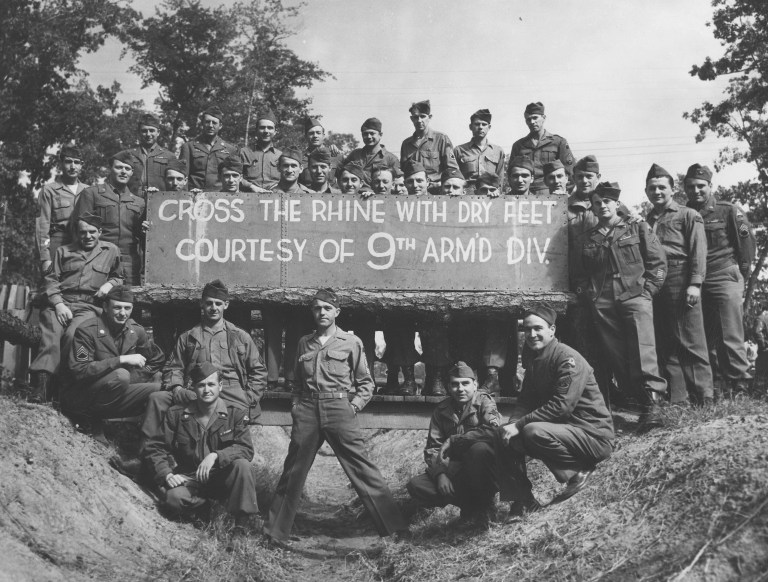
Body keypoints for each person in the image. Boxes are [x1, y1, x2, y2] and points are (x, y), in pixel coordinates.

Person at [264, 289, 407, 545]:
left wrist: (354, 406)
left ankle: (394, 530)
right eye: (317, 308)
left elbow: (366, 383)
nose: (322, 312)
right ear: (312, 311)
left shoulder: (351, 343)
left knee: (362, 468)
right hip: (308, 409)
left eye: (327, 308)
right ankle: (274, 534)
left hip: (339, 407)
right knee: (293, 471)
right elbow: (297, 382)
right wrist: (297, 405)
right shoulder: (303, 343)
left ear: (336, 312)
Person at [497, 305, 615, 515]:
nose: (532, 334)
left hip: (592, 435)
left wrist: (519, 425)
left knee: (532, 430)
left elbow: (562, 407)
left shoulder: (567, 358)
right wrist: (511, 425)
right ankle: (522, 500)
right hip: (566, 432)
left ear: (552, 330)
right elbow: (525, 401)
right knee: (506, 435)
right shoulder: (536, 360)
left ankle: (577, 471)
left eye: (538, 328)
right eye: (527, 329)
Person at [574, 181, 668, 430]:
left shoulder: (636, 227)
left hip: (635, 295)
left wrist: (648, 291)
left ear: (617, 203)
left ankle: (653, 405)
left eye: (607, 201)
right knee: (617, 355)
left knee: (643, 350)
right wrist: (589, 296)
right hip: (603, 302)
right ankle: (638, 402)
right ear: (592, 207)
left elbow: (657, 262)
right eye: (598, 202)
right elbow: (579, 274)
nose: (603, 206)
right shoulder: (589, 238)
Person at [140, 280, 267, 455]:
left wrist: (248, 397)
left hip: (231, 392)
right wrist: (177, 388)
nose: (213, 308)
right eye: (209, 303)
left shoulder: (239, 336)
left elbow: (258, 370)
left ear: (226, 305)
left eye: (218, 304)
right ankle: (147, 456)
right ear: (201, 304)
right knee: (157, 399)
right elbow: (174, 367)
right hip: (197, 390)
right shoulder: (189, 337)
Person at [142, 362, 259, 531]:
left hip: (220, 478)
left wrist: (216, 456)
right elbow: (155, 447)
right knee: (173, 499)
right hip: (190, 479)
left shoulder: (235, 414)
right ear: (193, 388)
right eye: (201, 385)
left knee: (243, 465)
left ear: (220, 386)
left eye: (211, 384)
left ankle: (241, 525)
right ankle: (202, 508)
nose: (206, 390)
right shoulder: (177, 414)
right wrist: (166, 474)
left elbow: (245, 449)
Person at [28, 213, 123, 403]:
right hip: (61, 303)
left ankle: (63, 389)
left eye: (92, 232)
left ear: (100, 232)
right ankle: (43, 387)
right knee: (52, 335)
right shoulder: (63, 251)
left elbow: (119, 276)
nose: (87, 236)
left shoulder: (111, 250)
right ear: (76, 234)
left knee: (74, 335)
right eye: (82, 232)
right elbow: (51, 280)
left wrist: (109, 285)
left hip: (88, 306)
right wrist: (59, 304)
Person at [645, 163, 713, 406]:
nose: (657, 192)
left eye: (662, 187)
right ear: (646, 192)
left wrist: (695, 283)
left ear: (672, 190)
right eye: (652, 188)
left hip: (679, 276)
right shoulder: (647, 219)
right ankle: (678, 400)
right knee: (666, 342)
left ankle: (704, 397)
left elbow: (698, 251)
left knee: (691, 340)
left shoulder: (687, 215)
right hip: (655, 281)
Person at [684, 163, 755, 396]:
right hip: (696, 281)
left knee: (730, 333)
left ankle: (740, 385)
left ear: (710, 186)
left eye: (701, 186)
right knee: (705, 335)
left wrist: (739, 277)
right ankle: (715, 387)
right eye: (691, 186)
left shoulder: (728, 210)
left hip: (724, 274)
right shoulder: (683, 214)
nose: (696, 191)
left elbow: (745, 245)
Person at [406, 362, 501, 527]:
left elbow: (494, 431)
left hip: (484, 468)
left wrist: (457, 440)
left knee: (479, 450)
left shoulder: (485, 402)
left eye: (465, 383)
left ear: (475, 385)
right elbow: (433, 448)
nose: (461, 389)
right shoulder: (442, 410)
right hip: (456, 470)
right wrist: (440, 474)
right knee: (417, 485)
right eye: (455, 384)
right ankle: (469, 507)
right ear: (448, 387)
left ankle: (486, 506)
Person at [64, 285, 164, 419]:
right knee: (121, 375)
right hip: (85, 395)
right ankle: (90, 421)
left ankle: (135, 431)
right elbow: (80, 371)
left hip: (118, 390)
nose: (123, 313)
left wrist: (135, 377)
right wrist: (121, 360)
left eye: (127, 308)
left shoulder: (136, 331)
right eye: (117, 307)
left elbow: (157, 359)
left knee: (159, 389)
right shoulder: (87, 330)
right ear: (105, 307)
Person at [71, 151, 147, 284]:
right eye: (119, 167)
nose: (123, 172)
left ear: (132, 172)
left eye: (127, 169)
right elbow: (78, 231)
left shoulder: (139, 202)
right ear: (110, 169)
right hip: (99, 258)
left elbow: (142, 237)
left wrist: (145, 230)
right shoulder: (92, 194)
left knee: (127, 301)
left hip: (129, 263)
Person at [35, 145, 87, 275]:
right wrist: (45, 258)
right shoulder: (49, 190)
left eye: (77, 162)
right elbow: (42, 226)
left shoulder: (88, 191)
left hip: (83, 244)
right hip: (58, 242)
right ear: (61, 164)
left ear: (82, 165)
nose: (73, 166)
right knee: (52, 285)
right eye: (68, 161)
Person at [509, 102, 574, 194]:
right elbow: (511, 174)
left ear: (543, 118)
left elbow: (570, 172)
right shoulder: (518, 145)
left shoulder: (558, 142)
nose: (532, 122)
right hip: (524, 193)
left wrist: (562, 194)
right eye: (528, 119)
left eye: (535, 118)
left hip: (550, 192)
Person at [400, 99, 459, 194]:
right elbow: (403, 171)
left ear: (429, 117)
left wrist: (441, 184)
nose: (419, 120)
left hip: (436, 191)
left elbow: (452, 170)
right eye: (415, 117)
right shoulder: (406, 144)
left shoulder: (441, 139)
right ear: (411, 119)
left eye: (423, 116)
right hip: (414, 191)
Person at [178, 106, 238, 191]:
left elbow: (235, 177)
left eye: (214, 123)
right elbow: (182, 175)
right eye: (207, 122)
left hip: (220, 197)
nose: (210, 125)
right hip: (195, 195)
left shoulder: (230, 149)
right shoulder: (189, 147)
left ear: (220, 126)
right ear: (202, 123)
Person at [119, 113, 176, 199]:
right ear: (139, 133)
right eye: (144, 131)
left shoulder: (169, 156)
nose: (148, 134)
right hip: (132, 202)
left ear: (158, 132)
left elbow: (177, 184)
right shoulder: (128, 154)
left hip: (158, 202)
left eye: (152, 130)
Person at [454, 109, 505, 190]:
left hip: (490, 194)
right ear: (470, 127)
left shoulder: (498, 151)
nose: (480, 127)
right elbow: (455, 177)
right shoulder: (459, 150)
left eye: (484, 124)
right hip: (467, 195)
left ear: (489, 127)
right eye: (477, 124)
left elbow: (500, 179)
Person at [341, 117, 400, 186]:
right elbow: (342, 173)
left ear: (380, 135)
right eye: (365, 134)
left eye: (372, 133)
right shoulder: (355, 154)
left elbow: (397, 181)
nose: (369, 136)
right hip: (355, 193)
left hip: (378, 195)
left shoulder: (391, 159)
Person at [239, 109, 282, 191]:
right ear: (256, 130)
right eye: (262, 128)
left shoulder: (280, 155)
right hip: (249, 196)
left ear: (275, 131)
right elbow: (236, 176)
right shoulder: (244, 152)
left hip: (275, 197)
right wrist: (252, 187)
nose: (266, 131)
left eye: (270, 128)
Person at [299, 117, 341, 188]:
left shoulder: (335, 155)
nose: (315, 136)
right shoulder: (299, 158)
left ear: (323, 136)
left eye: (318, 133)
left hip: (331, 197)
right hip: (306, 196)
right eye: (311, 133)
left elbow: (346, 179)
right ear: (306, 136)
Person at [752, 304, 768, 392]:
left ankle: (759, 393)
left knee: (762, 373)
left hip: (765, 351)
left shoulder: (760, 318)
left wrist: (763, 346)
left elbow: (756, 332)